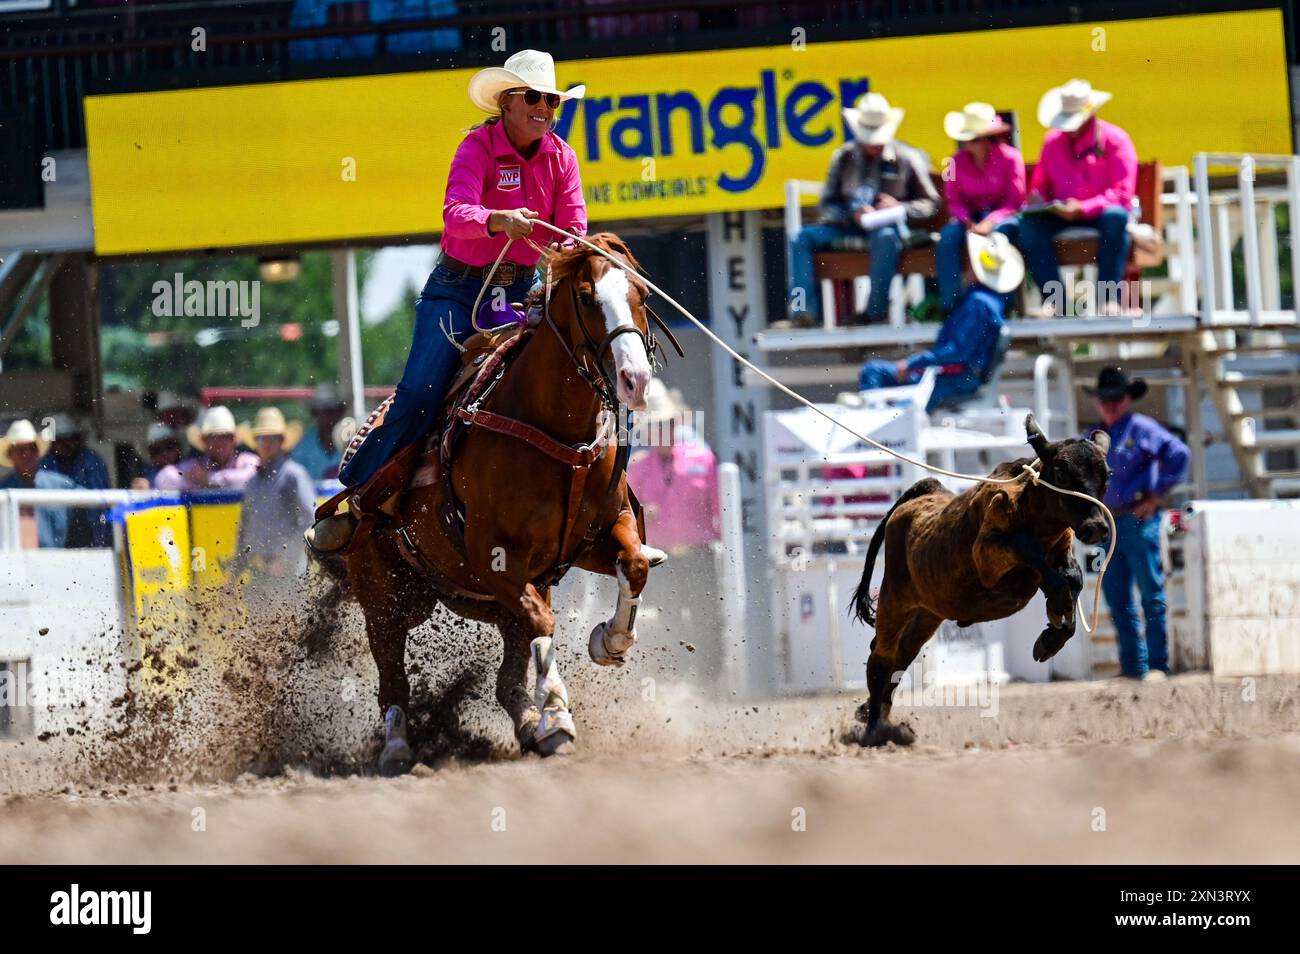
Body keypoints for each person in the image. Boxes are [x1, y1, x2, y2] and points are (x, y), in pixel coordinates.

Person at [309, 49, 588, 552]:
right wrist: (500, 220)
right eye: (535, 97)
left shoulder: (562, 158)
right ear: (507, 102)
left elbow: (574, 230)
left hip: (522, 293)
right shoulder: (477, 147)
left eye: (552, 100)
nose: (545, 107)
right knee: (421, 391)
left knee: (585, 374)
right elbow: (455, 213)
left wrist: (567, 248)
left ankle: (601, 509)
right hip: (459, 290)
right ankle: (357, 500)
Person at [787, 92, 940, 326]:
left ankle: (874, 312)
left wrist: (901, 207)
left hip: (889, 229)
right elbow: (826, 203)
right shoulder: (844, 157)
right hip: (850, 227)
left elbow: (931, 203)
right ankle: (803, 311)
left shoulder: (907, 158)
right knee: (801, 238)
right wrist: (852, 214)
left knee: (886, 237)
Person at [1090, 367, 1190, 681]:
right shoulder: (1094, 437)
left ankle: (1157, 665)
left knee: (1151, 594)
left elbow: (1180, 454)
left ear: (1127, 399)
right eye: (1106, 400)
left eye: (1116, 399)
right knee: (1118, 599)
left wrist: (1156, 497)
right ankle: (1135, 668)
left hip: (1136, 517)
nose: (1110, 405)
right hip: (1110, 523)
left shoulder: (1141, 428)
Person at [627, 381, 723, 686]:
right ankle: (679, 683)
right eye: (656, 426)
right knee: (669, 621)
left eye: (667, 424)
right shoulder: (638, 469)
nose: (663, 431)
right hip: (663, 561)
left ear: (676, 424)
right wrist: (645, 517)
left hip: (698, 555)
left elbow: (719, 510)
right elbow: (628, 520)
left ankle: (709, 682)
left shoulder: (703, 460)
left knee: (706, 617)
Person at [857, 231, 1018, 412]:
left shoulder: (978, 303)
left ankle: (878, 426)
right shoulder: (988, 301)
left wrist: (911, 364)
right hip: (957, 374)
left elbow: (956, 352)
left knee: (875, 373)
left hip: (954, 378)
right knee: (875, 371)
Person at [1019, 79, 1138, 314]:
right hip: (1062, 213)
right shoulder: (1052, 142)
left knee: (1116, 218)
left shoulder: (1116, 140)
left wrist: (1083, 208)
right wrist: (1037, 197)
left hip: (1101, 214)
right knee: (1029, 226)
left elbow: (1122, 194)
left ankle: (1109, 299)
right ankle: (1055, 301)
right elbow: (1042, 184)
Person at [937, 102, 1025, 312]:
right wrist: (968, 221)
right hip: (969, 220)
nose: (968, 145)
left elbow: (1014, 201)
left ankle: (1002, 303)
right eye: (965, 140)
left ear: (988, 139)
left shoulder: (1012, 158)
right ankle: (951, 305)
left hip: (1003, 218)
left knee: (1000, 237)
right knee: (948, 237)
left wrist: (990, 222)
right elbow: (953, 200)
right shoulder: (953, 162)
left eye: (974, 139)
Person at [231, 407, 316, 583]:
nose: (266, 443)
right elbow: (244, 527)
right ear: (255, 442)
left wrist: (286, 557)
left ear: (281, 441)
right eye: (262, 438)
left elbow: (310, 519)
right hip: (259, 569)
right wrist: (236, 570)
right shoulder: (253, 482)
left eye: (273, 438)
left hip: (291, 570)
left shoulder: (293, 475)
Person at [0, 419, 77, 548]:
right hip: (15, 562)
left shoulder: (62, 484)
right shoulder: (3, 490)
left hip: (58, 561)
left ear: (38, 452)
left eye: (32, 448)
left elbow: (95, 510)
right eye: (20, 450)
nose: (27, 454)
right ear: (10, 455)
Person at [39, 413, 112, 547]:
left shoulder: (92, 461)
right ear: (52, 442)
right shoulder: (45, 464)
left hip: (89, 533)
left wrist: (100, 544)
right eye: (60, 440)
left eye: (70, 438)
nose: (65, 444)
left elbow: (100, 507)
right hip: (57, 535)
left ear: (78, 439)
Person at [154, 405, 259, 491]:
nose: (219, 442)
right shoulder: (196, 466)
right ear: (204, 441)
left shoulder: (247, 460)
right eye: (213, 437)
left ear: (234, 440)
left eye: (225, 436)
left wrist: (209, 480)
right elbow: (164, 478)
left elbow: (255, 476)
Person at [292, 383, 349, 481]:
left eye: (333, 410)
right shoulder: (304, 447)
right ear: (315, 414)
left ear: (340, 412)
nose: (329, 417)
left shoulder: (352, 442)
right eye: (325, 412)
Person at [131, 423, 184, 490]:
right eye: (156, 450)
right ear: (151, 456)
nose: (163, 453)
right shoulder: (149, 480)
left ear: (178, 448)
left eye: (168, 446)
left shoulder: (192, 468)